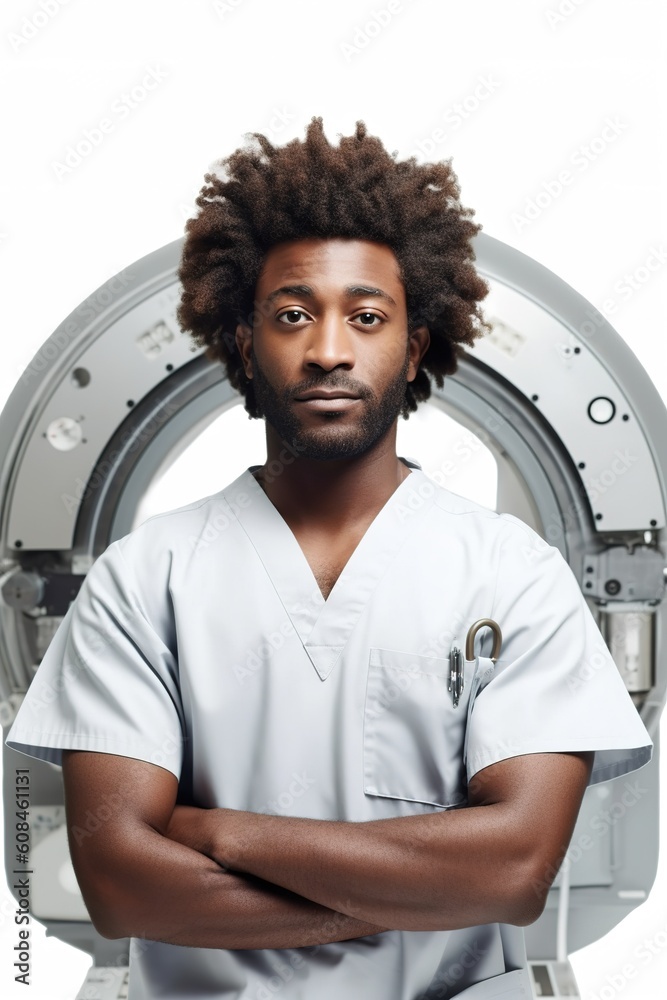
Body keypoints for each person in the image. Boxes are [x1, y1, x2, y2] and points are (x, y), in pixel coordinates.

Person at [6, 117, 653, 999]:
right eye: (292, 315)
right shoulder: (142, 579)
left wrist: (219, 832)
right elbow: (122, 888)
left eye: (367, 316)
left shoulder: (513, 574)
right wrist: (423, 890)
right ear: (245, 343)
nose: (328, 350)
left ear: (414, 347)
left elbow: (513, 872)